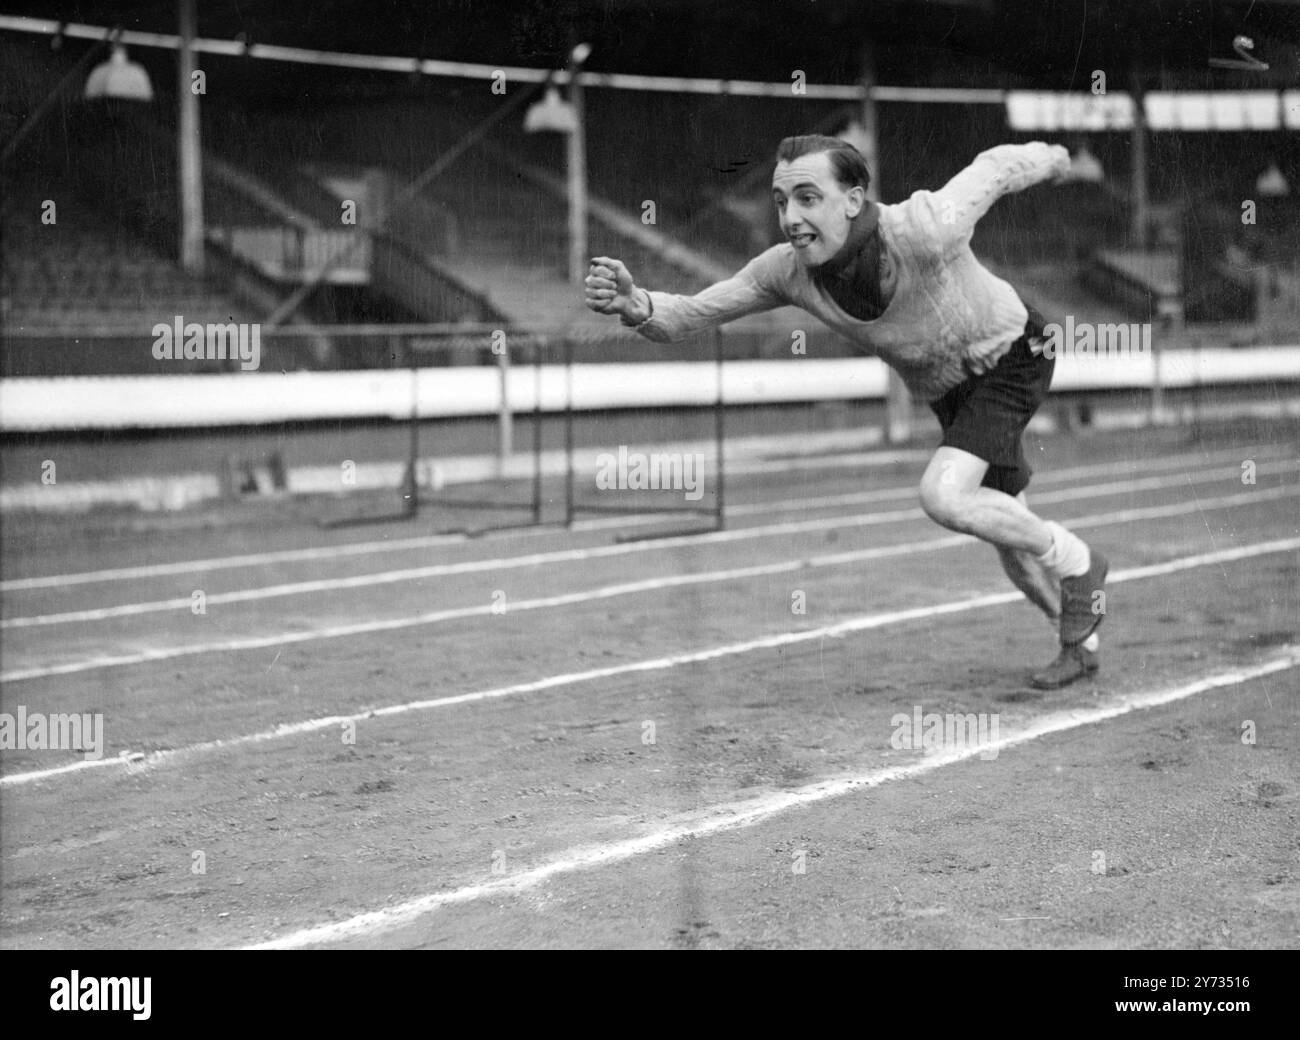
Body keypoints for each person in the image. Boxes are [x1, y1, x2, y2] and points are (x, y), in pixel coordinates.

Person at [583, 135, 1108, 689]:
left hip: (1017, 353)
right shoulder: (785, 272)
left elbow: (997, 167)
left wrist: (1057, 158)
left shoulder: (924, 228)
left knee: (944, 495)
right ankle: (1079, 638)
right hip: (952, 392)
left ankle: (1077, 561)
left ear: (854, 200)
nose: (790, 217)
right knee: (1010, 539)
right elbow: (690, 314)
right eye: (781, 201)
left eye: (808, 198)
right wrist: (637, 304)